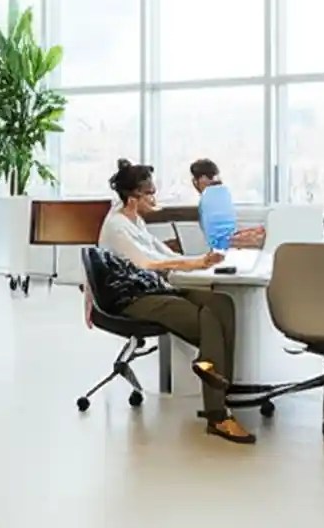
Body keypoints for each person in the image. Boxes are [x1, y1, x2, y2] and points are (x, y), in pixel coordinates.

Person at [97, 159, 255, 444]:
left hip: (156, 288)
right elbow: (148, 262)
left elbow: (159, 250)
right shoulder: (118, 227)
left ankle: (219, 381)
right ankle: (217, 414)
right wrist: (196, 263)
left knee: (221, 304)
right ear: (133, 198)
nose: (155, 198)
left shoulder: (136, 221)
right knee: (208, 319)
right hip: (134, 297)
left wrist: (201, 262)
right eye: (150, 193)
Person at [188, 159, 265, 249]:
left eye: (195, 178)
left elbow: (209, 232)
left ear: (202, 179)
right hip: (228, 239)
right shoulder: (225, 191)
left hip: (220, 243)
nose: (194, 182)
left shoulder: (206, 197)